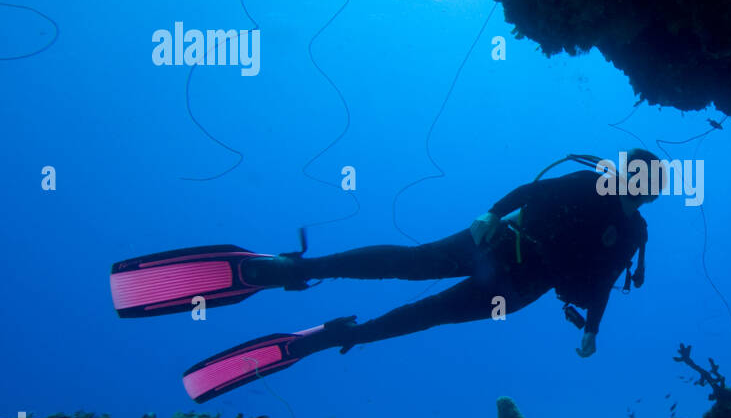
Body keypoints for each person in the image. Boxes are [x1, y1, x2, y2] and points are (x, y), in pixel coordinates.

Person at [109, 150, 659, 402]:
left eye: (645, 185)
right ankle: (299, 284)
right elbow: (529, 195)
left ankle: (320, 311)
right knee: (412, 279)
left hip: (509, 276)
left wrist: (592, 329)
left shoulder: (630, 231)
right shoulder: (598, 188)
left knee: (417, 292)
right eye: (637, 178)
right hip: (502, 256)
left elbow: (604, 282)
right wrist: (491, 213)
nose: (636, 188)